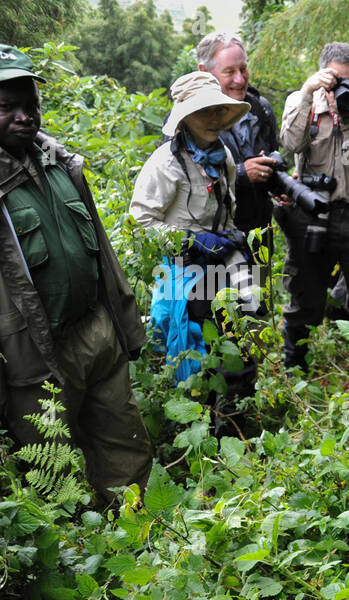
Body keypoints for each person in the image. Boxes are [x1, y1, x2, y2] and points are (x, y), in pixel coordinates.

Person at [0, 44, 152, 507]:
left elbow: (102, 254)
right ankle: (79, 561)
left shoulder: (60, 164)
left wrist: (124, 325)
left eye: (31, 106)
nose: (25, 117)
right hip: (33, 355)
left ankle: (136, 541)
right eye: (8, 108)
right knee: (54, 473)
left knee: (124, 443)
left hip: (96, 332)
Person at [131, 71, 258, 436]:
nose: (214, 119)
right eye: (205, 112)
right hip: (186, 272)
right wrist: (189, 239)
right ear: (185, 117)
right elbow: (139, 221)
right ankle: (198, 439)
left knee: (241, 341)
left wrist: (232, 239)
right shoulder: (165, 164)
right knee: (195, 353)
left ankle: (236, 432)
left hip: (225, 265)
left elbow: (227, 208)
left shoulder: (224, 157)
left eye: (218, 110)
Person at [278, 42, 349, 370]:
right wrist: (308, 92)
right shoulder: (302, 102)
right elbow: (290, 144)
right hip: (314, 212)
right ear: (324, 75)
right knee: (306, 298)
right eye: (340, 81)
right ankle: (295, 366)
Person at [193, 32, 278, 288]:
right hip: (211, 242)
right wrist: (241, 173)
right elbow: (186, 183)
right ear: (204, 72)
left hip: (258, 236)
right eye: (229, 72)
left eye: (243, 69)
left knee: (257, 312)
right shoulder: (189, 117)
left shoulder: (260, 108)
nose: (240, 79)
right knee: (219, 318)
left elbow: (269, 154)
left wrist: (276, 183)